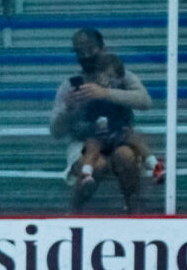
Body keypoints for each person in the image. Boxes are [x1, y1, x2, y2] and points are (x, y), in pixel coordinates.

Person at [50, 28, 153, 211]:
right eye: (80, 51)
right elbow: (55, 131)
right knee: (97, 164)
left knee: (126, 156)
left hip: (119, 137)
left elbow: (145, 101)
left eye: (90, 49)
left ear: (102, 48)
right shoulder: (71, 84)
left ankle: (133, 208)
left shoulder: (122, 76)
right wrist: (70, 110)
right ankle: (74, 211)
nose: (86, 55)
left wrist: (106, 93)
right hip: (84, 141)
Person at [67, 53, 165, 206]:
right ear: (96, 76)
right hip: (98, 135)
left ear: (120, 79)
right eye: (105, 76)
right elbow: (86, 118)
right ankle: (87, 174)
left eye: (113, 77)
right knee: (92, 147)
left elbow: (131, 112)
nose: (108, 80)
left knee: (135, 139)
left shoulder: (121, 93)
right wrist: (80, 110)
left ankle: (155, 167)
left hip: (117, 134)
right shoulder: (90, 95)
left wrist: (110, 97)